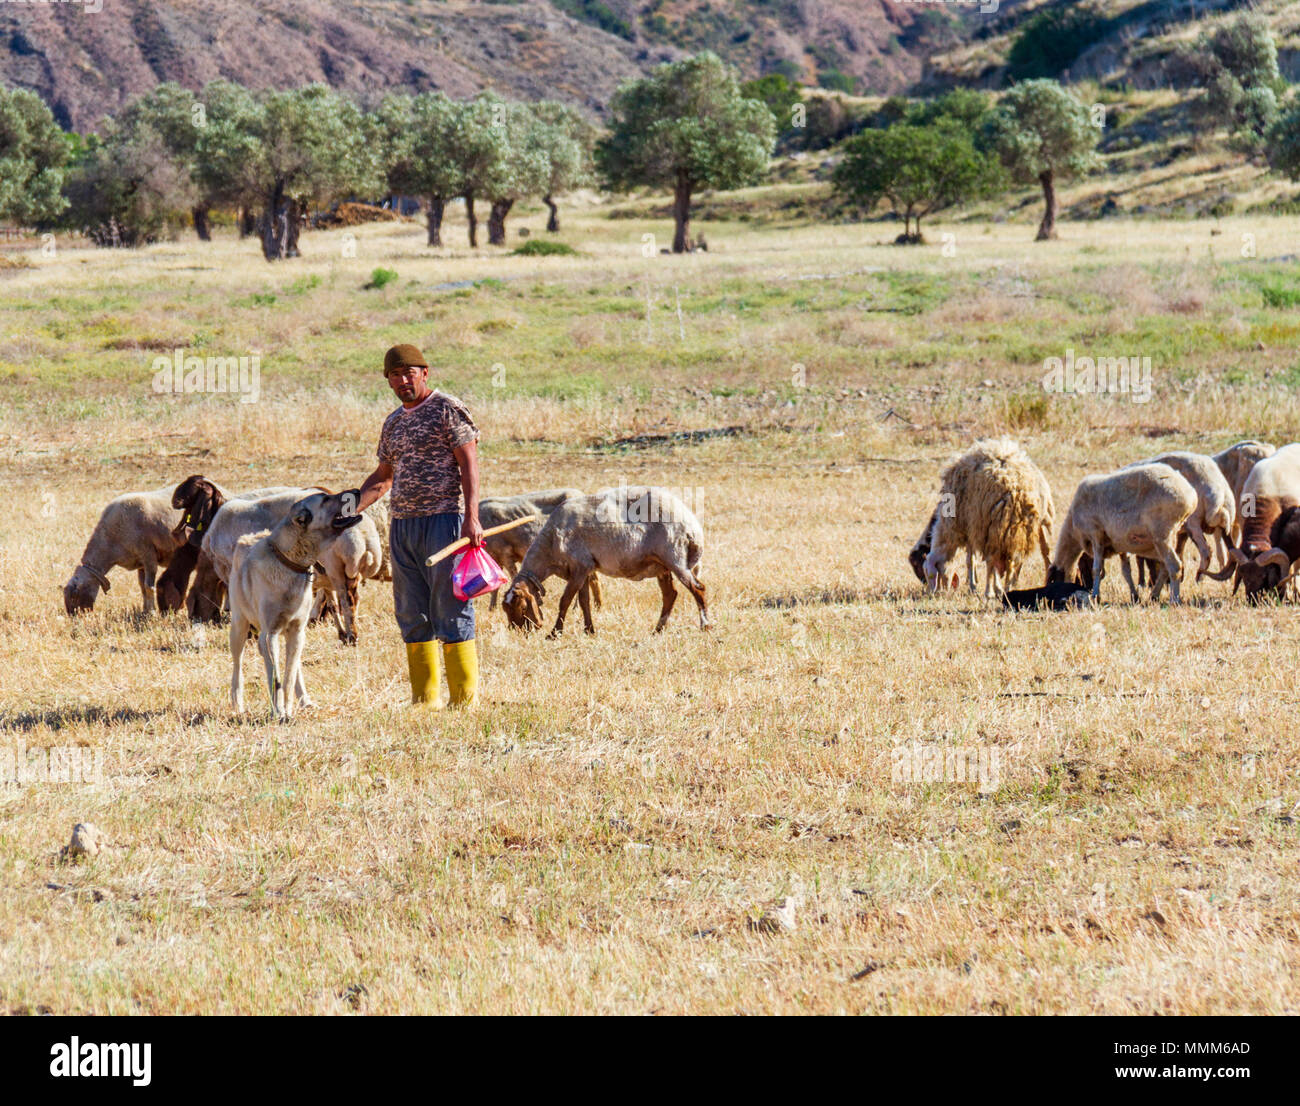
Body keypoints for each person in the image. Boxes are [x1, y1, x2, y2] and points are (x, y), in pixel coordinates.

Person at [340, 344, 483, 708]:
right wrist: (344, 508)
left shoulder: (446, 409)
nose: (403, 380)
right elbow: (383, 478)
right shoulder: (393, 423)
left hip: (445, 523)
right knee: (411, 611)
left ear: (425, 372)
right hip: (402, 527)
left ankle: (464, 702)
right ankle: (425, 701)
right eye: (395, 375)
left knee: (450, 606)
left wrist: (472, 516)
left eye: (410, 373)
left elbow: (469, 465)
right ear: (387, 380)